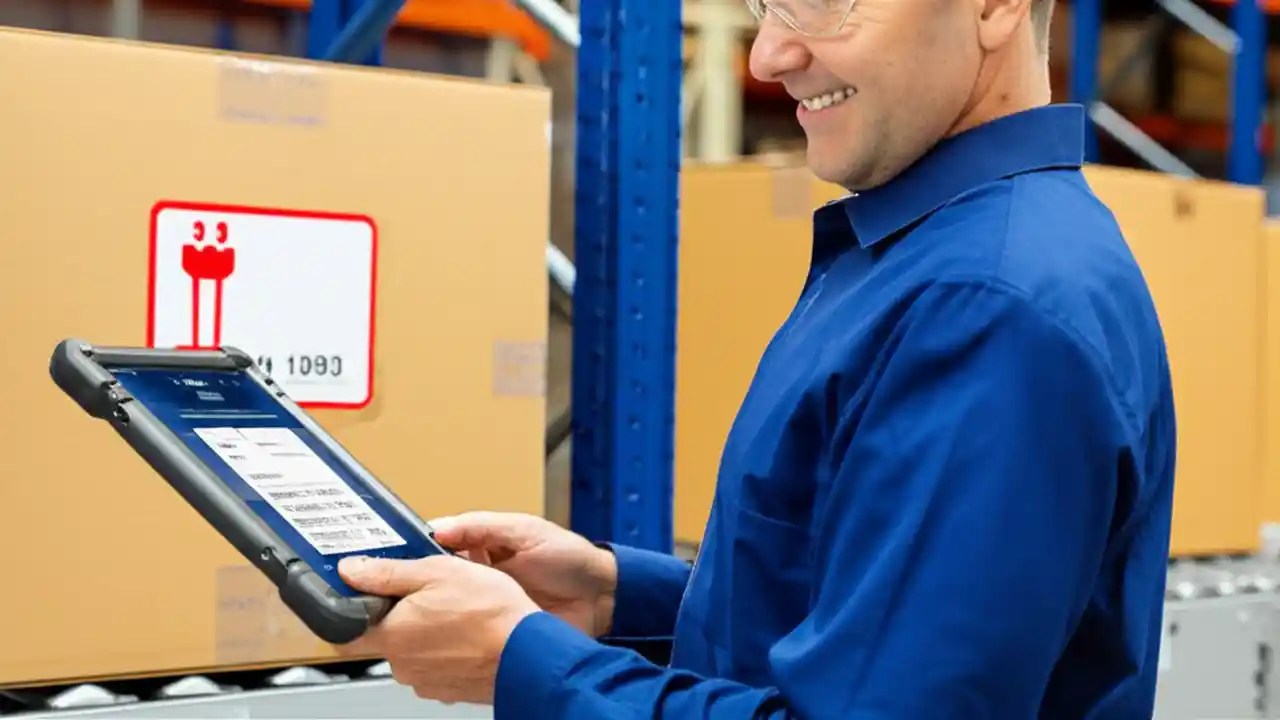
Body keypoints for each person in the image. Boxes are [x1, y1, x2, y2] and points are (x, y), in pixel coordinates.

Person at [337, 0, 1178, 716]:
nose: (770, 55)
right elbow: (873, 628)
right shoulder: (926, 258)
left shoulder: (983, 305)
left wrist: (521, 661)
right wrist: (618, 598)